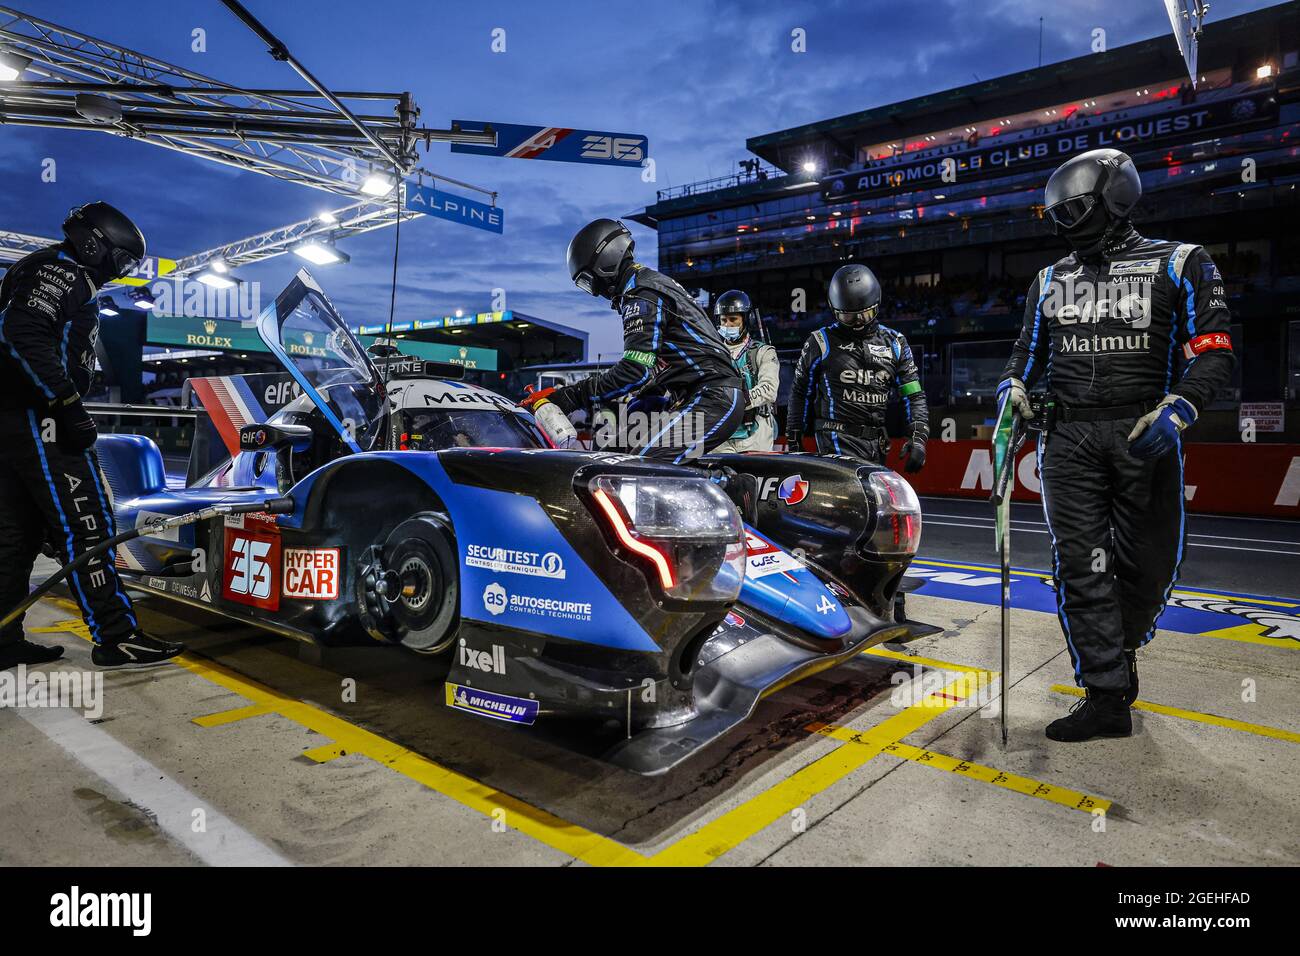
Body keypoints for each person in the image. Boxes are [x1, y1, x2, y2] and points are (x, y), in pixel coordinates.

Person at [999, 148, 1234, 742]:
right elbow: (1022, 360)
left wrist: (1181, 407)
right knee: (1081, 566)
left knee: (1149, 564)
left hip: (1143, 433)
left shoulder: (1182, 263)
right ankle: (1105, 695)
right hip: (1067, 438)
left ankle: (1120, 646)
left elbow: (1215, 352)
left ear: (1113, 197)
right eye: (1056, 212)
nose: (1061, 221)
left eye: (1072, 208)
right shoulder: (1049, 279)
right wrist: (1013, 391)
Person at [0, 202, 185, 669]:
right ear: (94, 244)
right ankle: (116, 637)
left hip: (15, 419)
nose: (118, 272)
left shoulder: (43, 269)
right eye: (120, 261)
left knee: (15, 534)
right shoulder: (64, 273)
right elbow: (19, 331)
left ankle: (1, 640)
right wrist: (65, 404)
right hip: (39, 419)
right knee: (87, 526)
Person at [522, 219, 744, 463]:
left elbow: (634, 371)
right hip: (701, 395)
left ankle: (727, 484)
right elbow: (665, 362)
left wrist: (568, 396)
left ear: (604, 260)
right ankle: (726, 482)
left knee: (642, 467)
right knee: (619, 454)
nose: (594, 290)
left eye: (588, 280)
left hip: (713, 396)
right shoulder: (648, 285)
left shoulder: (641, 295)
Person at [786, 263, 929, 472]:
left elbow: (913, 394)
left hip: (877, 444)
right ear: (834, 310)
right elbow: (799, 393)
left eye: (865, 313)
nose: (858, 322)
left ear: (877, 304)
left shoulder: (895, 343)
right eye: (849, 315)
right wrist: (794, 439)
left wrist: (918, 439)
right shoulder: (820, 342)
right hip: (835, 440)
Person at [711, 290, 779, 454]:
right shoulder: (713, 353)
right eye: (724, 320)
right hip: (721, 434)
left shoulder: (764, 352)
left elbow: (769, 390)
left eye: (733, 319)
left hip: (755, 435)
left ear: (746, 319)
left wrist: (738, 401)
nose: (727, 325)